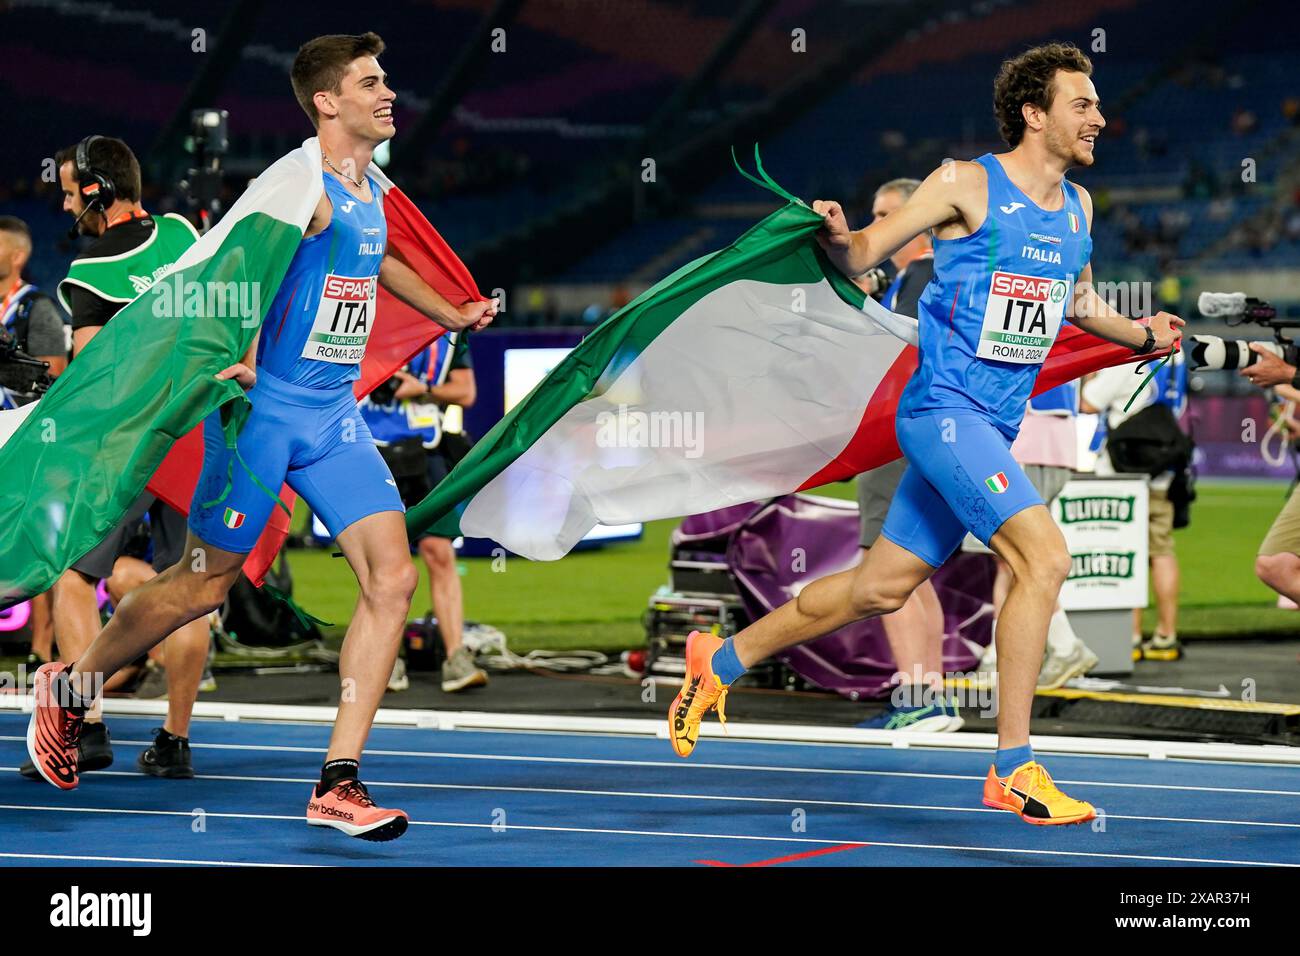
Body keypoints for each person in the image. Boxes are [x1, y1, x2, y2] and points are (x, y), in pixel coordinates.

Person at [668, 42, 1182, 825]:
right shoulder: (965, 183)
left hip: (993, 426)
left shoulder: (1077, 210)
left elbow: (1079, 306)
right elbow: (866, 252)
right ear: (1035, 114)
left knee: (880, 586)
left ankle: (721, 658)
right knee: (1045, 558)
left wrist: (1142, 335)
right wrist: (839, 238)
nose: (1100, 119)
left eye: (1098, 105)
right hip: (943, 412)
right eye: (1083, 105)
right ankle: (1014, 766)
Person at [27, 33, 496, 843]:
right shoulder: (296, 181)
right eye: (371, 82)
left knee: (392, 581)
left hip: (333, 417)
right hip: (261, 417)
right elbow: (228, 264)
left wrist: (450, 314)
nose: (389, 94)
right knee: (202, 586)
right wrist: (237, 355)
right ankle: (68, 689)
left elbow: (375, 263)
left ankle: (338, 783)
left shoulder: (369, 186)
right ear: (327, 101)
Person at [20, 137, 210, 781]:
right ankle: (175, 741)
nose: (69, 202)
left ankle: (87, 726)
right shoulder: (187, 233)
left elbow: (95, 379)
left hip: (131, 448)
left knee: (73, 579)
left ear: (97, 189)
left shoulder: (88, 273)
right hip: (201, 438)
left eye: (73, 190)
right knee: (187, 589)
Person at [853, 179, 958, 732]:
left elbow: (903, 355)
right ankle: (931, 697)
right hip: (931, 437)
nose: (875, 225)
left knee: (880, 570)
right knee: (914, 576)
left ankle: (916, 699)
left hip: (898, 439)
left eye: (883, 213)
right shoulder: (931, 274)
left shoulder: (921, 275)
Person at [359, 331, 488, 693]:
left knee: (439, 552)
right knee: (380, 562)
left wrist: (421, 389)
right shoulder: (368, 314)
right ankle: (385, 658)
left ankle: (455, 655)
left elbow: (466, 391)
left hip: (425, 452)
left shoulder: (446, 329)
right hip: (369, 451)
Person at [976, 381, 1100, 687]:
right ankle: (1010, 651)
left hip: (1024, 439)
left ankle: (1061, 644)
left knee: (1016, 556)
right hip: (1051, 442)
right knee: (1015, 556)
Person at [1081, 351, 1188, 660]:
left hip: (1122, 469)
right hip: (1162, 467)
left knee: (1125, 549)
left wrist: (1091, 369)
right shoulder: (1177, 357)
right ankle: (1166, 634)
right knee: (1162, 550)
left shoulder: (1128, 355)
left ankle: (1131, 636)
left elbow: (1089, 402)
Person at [1, 215, 68, 675]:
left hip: (26, 441)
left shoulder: (34, 308)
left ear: (18, 254)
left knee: (35, 541)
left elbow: (57, 376)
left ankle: (41, 645)